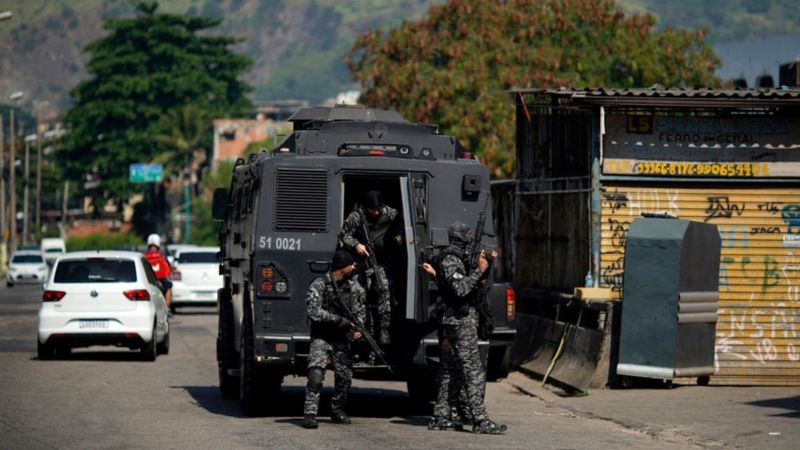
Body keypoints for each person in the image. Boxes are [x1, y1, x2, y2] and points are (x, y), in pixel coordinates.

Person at [425, 222, 506, 434]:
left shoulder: (454, 257)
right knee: (473, 372)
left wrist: (484, 265)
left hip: (455, 321)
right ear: (461, 238)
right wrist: (480, 269)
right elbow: (460, 289)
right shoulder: (451, 259)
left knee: (450, 371)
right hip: (460, 321)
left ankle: (441, 416)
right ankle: (480, 419)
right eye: (467, 235)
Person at [302, 249, 366, 429]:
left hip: (341, 339)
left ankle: (337, 410)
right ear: (342, 266)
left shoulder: (354, 287)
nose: (354, 267)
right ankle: (310, 414)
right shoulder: (319, 284)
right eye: (351, 264)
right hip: (321, 337)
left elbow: (360, 312)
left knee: (345, 377)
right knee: (315, 376)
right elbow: (314, 312)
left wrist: (357, 330)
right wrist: (338, 320)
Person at [338, 190, 401, 345]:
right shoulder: (356, 217)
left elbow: (403, 223)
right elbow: (343, 235)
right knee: (358, 292)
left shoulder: (390, 213)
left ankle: (384, 329)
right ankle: (359, 329)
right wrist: (356, 244)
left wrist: (397, 239)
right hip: (362, 261)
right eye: (373, 209)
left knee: (384, 289)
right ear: (366, 207)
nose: (376, 212)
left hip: (381, 261)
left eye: (379, 209)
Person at [143, 233, 173, 313]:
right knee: (169, 287)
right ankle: (167, 308)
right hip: (161, 279)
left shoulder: (144, 255)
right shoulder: (162, 255)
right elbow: (167, 266)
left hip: (149, 280)